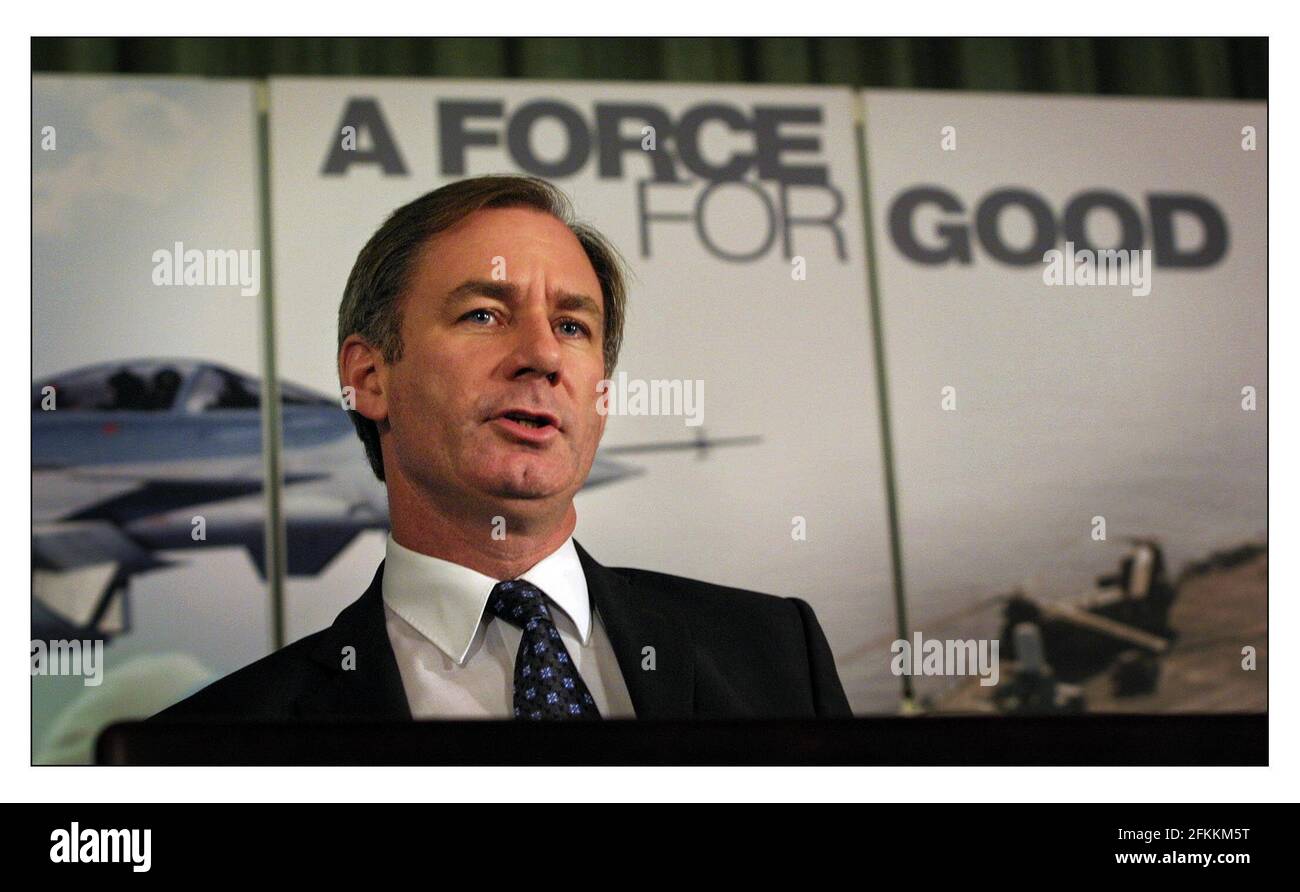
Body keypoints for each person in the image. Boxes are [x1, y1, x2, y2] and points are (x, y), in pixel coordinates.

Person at [154, 175, 851, 722]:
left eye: (574, 326)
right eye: (484, 314)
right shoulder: (212, 746)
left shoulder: (777, 654)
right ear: (369, 378)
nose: (543, 355)